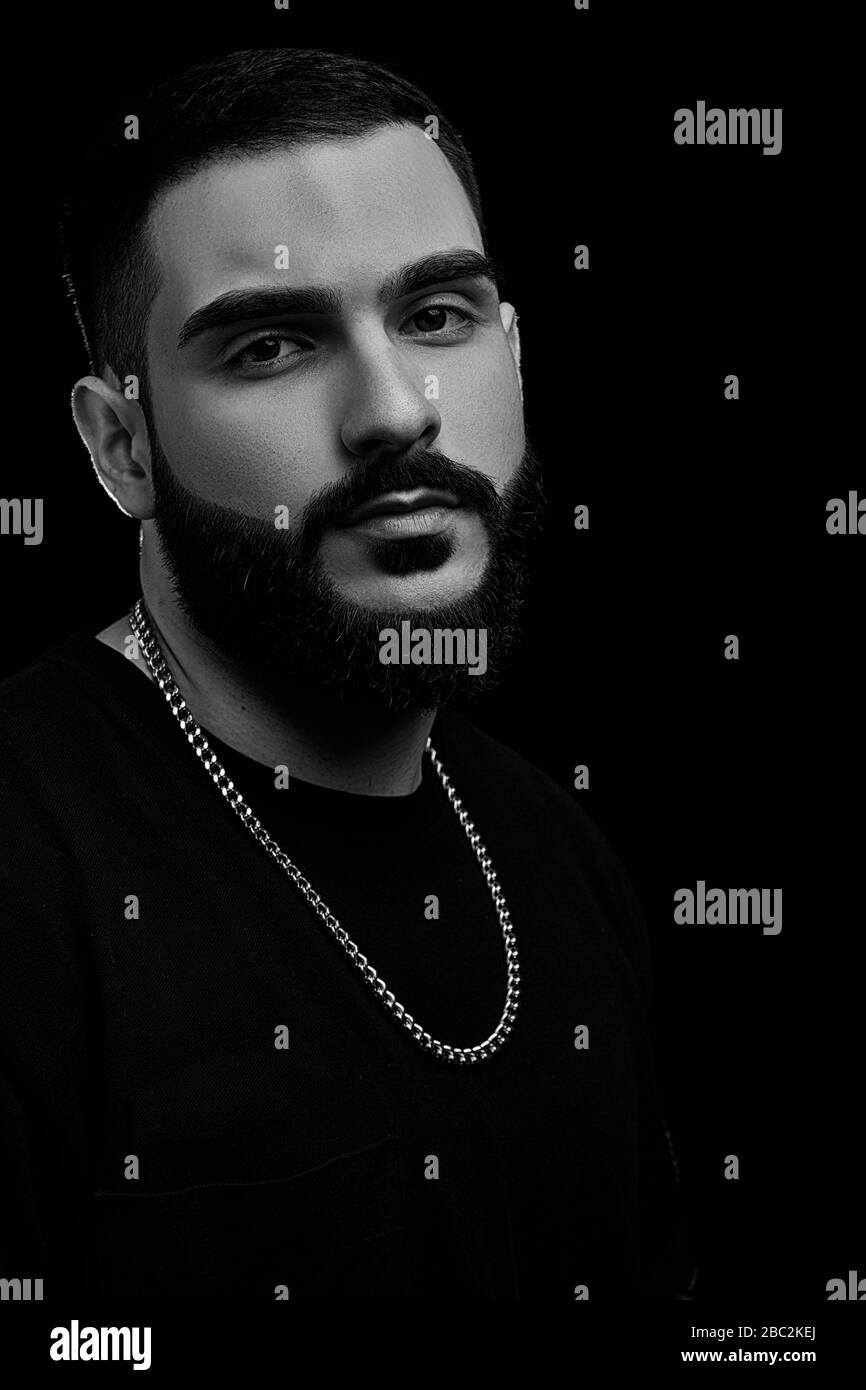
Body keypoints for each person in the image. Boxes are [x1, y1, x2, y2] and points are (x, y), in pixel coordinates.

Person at [0, 46, 693, 1300]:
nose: (393, 412)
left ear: (515, 356)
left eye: (436, 317)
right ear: (121, 445)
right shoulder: (25, 866)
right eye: (271, 344)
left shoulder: (560, 850)